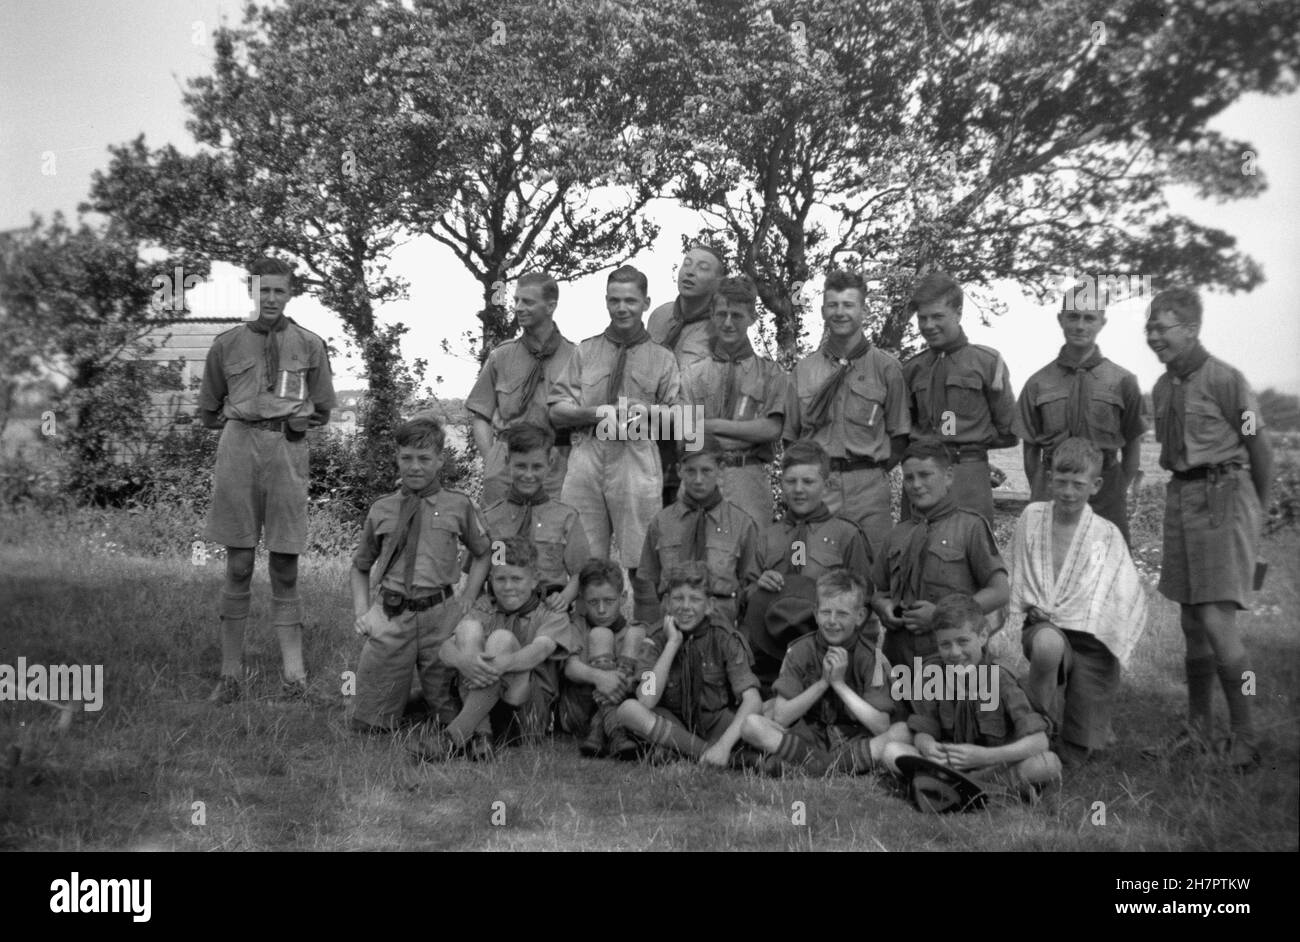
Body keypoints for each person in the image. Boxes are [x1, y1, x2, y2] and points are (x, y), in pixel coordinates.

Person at [1143, 288, 1271, 770]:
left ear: (1191, 329)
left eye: (1163, 327)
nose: (1154, 337)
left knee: (1217, 620)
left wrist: (1253, 516)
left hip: (1225, 497)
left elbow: (1260, 449)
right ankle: (1198, 730)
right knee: (1191, 622)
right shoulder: (1162, 386)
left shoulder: (1225, 379)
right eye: (1150, 328)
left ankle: (1246, 737)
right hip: (1182, 498)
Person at [199, 257, 336, 703]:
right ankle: (230, 674)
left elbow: (323, 409)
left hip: (286, 452)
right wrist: (246, 420)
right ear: (251, 292)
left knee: (284, 565)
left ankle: (293, 676)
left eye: (279, 291)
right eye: (264, 291)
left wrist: (291, 422)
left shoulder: (310, 344)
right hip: (239, 450)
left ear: (290, 293)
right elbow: (207, 410)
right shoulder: (227, 344)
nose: (271, 299)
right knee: (238, 563)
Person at [1007, 437, 1148, 767]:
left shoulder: (1105, 534)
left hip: (1089, 641)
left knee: (1076, 756)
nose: (1068, 492)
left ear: (1095, 485)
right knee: (1046, 646)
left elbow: (1116, 593)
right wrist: (1033, 604)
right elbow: (1016, 569)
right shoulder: (1032, 517)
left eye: (1078, 484)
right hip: (1044, 627)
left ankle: (1076, 731)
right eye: (1060, 481)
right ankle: (1034, 727)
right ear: (1050, 477)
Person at [350, 415, 492, 732]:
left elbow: (483, 553)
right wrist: (362, 611)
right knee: (369, 725)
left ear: (440, 460)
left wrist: (468, 595)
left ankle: (428, 704)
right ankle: (399, 702)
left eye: (425, 459)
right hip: (391, 614)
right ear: (397, 458)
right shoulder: (382, 508)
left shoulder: (459, 505)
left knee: (449, 710)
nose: (415, 467)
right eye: (407, 458)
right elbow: (360, 566)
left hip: (440, 616)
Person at [548, 265, 682, 595]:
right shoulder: (586, 351)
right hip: (587, 455)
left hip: (635, 457)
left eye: (630, 301)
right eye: (614, 300)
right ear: (606, 302)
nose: (622, 308)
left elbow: (682, 418)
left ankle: (644, 639)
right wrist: (594, 412)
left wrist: (649, 411)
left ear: (646, 303)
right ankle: (588, 640)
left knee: (642, 565)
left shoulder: (662, 358)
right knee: (583, 562)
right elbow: (556, 410)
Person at [882, 594, 1061, 799]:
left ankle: (959, 790)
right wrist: (928, 746)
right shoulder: (932, 673)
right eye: (945, 645)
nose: (955, 652)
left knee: (1048, 763)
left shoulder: (1000, 676)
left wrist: (985, 757)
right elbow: (924, 728)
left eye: (963, 641)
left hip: (994, 766)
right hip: (949, 766)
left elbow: (1039, 741)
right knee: (891, 751)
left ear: (983, 636)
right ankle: (985, 793)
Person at [785, 270, 910, 551]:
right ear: (822, 311)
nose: (840, 313)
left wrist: (871, 472)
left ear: (863, 311)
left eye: (848, 305)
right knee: (816, 564)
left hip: (868, 487)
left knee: (873, 568)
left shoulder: (887, 369)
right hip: (818, 485)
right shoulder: (803, 370)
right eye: (833, 305)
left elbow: (900, 436)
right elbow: (791, 439)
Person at [428, 537, 584, 760]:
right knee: (468, 629)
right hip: (485, 708)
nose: (508, 587)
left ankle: (454, 736)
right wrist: (466, 663)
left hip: (523, 714)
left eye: (517, 579)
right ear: (491, 579)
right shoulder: (486, 607)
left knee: (501, 639)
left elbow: (538, 651)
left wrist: (494, 667)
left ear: (534, 581)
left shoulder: (551, 613)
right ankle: (482, 737)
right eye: (501, 579)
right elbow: (445, 649)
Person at [740, 570, 909, 775]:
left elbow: (881, 726)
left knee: (902, 732)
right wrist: (822, 683)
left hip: (851, 740)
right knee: (751, 724)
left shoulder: (871, 657)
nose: (832, 621)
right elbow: (782, 717)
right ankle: (834, 767)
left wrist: (839, 685)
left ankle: (814, 766)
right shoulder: (799, 650)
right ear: (815, 613)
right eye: (826, 612)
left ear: (860, 616)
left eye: (843, 614)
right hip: (808, 738)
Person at [1015, 281, 1146, 544]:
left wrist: (1116, 489)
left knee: (1104, 566)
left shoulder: (1122, 381)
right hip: (1054, 488)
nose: (1080, 326)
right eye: (1073, 316)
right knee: (1050, 563)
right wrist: (1044, 488)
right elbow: (1030, 450)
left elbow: (1132, 447)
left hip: (1105, 490)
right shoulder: (1039, 382)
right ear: (1061, 319)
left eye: (1089, 318)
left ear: (1102, 322)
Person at [869, 441, 1009, 671]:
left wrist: (941, 614)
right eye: (909, 478)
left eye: (925, 475)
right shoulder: (897, 534)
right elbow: (878, 591)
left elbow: (1000, 592)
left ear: (949, 476)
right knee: (885, 706)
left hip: (956, 660)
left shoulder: (970, 527)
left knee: (966, 706)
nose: (916, 485)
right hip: (900, 659)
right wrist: (883, 606)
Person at [745, 441, 874, 688]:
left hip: (830, 657)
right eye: (791, 481)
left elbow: (864, 601)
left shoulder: (846, 535)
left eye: (808, 481)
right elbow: (746, 596)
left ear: (826, 485)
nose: (798, 489)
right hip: (773, 653)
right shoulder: (768, 536)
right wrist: (758, 586)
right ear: (781, 484)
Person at [615, 563, 762, 766]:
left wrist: (724, 745)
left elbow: (752, 699)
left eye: (695, 599)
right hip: (672, 724)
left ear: (709, 605)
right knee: (628, 710)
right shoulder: (655, 639)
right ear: (666, 602)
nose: (685, 606)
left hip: (715, 724)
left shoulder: (725, 638)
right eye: (678, 598)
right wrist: (672, 644)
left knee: (757, 719)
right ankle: (709, 755)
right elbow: (646, 699)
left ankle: (685, 753)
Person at [901, 272, 1017, 523]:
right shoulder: (913, 369)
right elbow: (903, 432)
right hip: (921, 477)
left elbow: (1009, 430)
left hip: (969, 478)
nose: (929, 325)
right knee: (915, 550)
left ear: (958, 313)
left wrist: (970, 450)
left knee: (970, 550)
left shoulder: (986, 363)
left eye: (937, 316)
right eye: (922, 318)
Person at [679, 274, 787, 526]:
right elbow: (684, 431)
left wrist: (711, 426)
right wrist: (745, 432)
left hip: (747, 476)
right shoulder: (693, 374)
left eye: (737, 315)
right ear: (712, 316)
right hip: (699, 476)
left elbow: (771, 429)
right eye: (721, 314)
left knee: (751, 556)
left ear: (752, 318)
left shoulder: (771, 373)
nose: (728, 323)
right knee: (694, 557)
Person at [466, 272, 575, 506]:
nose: (518, 308)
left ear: (551, 306)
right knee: (501, 538)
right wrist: (491, 460)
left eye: (528, 301)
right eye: (516, 301)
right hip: (506, 465)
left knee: (549, 538)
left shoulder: (576, 358)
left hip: (554, 467)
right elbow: (480, 416)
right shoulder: (501, 356)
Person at [637, 436, 760, 625]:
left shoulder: (742, 524)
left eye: (706, 471)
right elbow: (651, 580)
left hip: (720, 620)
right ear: (679, 471)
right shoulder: (662, 522)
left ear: (720, 470)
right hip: (673, 619)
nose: (698, 480)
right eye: (691, 471)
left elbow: (750, 584)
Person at [477, 423, 589, 612]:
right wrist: (480, 597)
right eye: (520, 466)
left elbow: (581, 572)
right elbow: (476, 570)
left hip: (548, 609)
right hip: (500, 609)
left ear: (550, 464)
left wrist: (564, 598)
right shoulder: (490, 517)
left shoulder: (566, 517)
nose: (528, 475)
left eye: (537, 467)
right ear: (507, 461)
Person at [649, 243, 726, 507]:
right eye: (687, 263)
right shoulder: (659, 316)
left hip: (688, 441)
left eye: (702, 268)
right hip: (648, 441)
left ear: (717, 282)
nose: (690, 272)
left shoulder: (720, 329)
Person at [557, 560, 648, 759]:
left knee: (637, 635)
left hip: (626, 710)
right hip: (580, 711)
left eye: (609, 601)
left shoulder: (634, 630)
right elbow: (570, 668)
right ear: (581, 600)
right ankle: (612, 729)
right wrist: (601, 678)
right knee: (600, 635)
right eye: (593, 602)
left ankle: (602, 726)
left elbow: (646, 679)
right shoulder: (576, 625)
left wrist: (625, 682)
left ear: (623, 598)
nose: (601, 610)